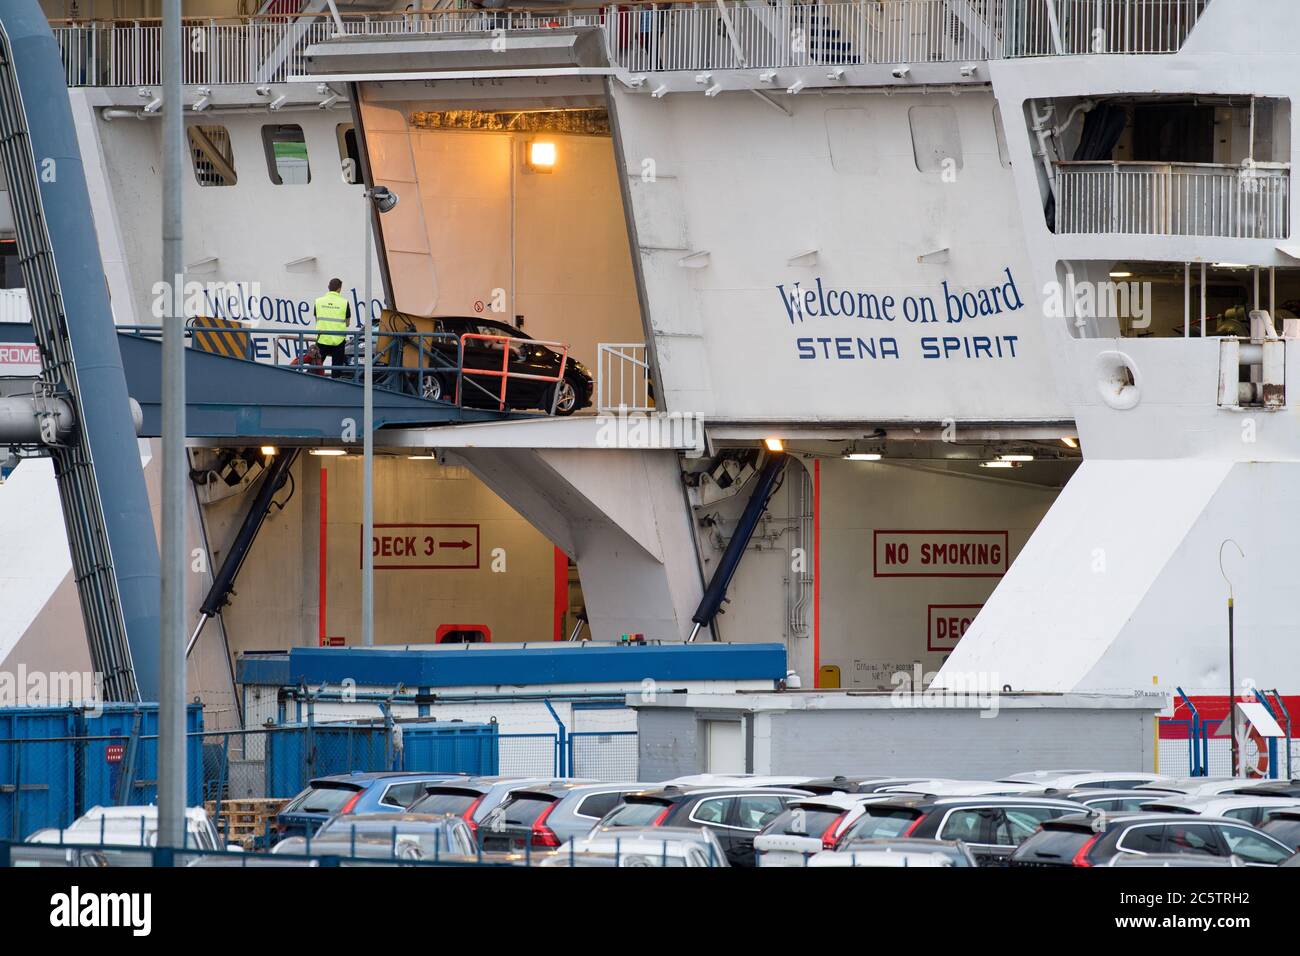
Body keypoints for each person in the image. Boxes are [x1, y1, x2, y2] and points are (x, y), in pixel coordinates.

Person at [314, 278, 352, 376]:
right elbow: (347, 323)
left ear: (328, 287)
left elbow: (317, 319)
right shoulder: (344, 302)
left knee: (316, 367)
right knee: (336, 368)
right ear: (339, 289)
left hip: (322, 338)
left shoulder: (318, 301)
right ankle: (335, 386)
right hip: (338, 340)